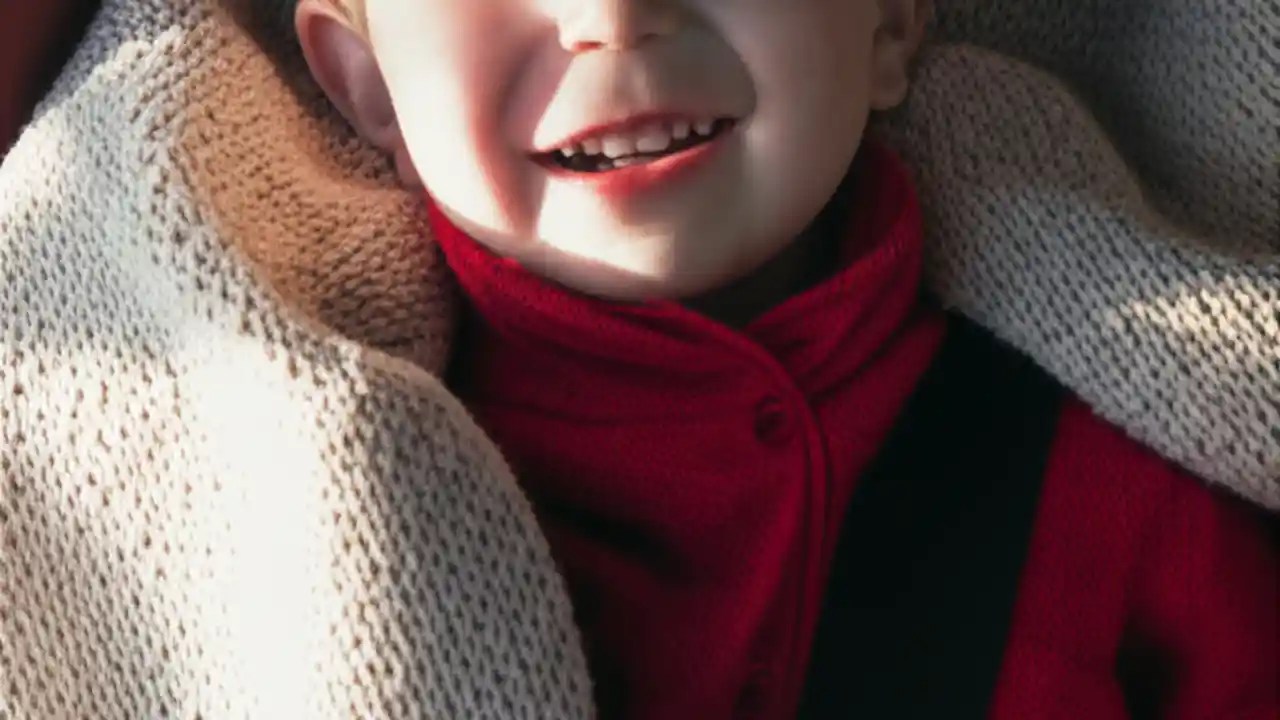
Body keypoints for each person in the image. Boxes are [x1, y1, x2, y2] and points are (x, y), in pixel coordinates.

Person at [277, 0, 1276, 718]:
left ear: (888, 22)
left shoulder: (1116, 496)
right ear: (369, 87)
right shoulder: (305, 520)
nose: (613, 19)